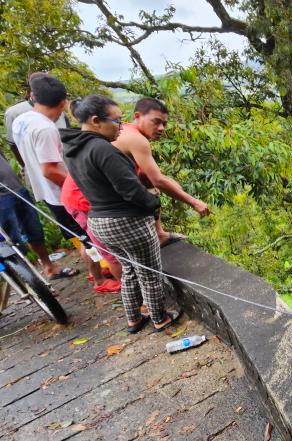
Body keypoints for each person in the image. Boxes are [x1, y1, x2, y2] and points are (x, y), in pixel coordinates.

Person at [61, 95, 182, 333]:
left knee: (128, 270)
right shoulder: (103, 149)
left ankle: (133, 318)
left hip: (98, 220)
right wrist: (153, 203)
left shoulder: (73, 148)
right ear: (96, 121)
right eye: (117, 121)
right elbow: (130, 190)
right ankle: (160, 318)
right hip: (125, 220)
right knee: (149, 271)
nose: (120, 126)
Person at [10, 75, 105, 284]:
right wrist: (81, 190)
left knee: (79, 238)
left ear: (34, 97)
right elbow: (50, 170)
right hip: (60, 193)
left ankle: (99, 272)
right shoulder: (45, 128)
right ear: (63, 103)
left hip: (46, 193)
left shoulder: (21, 120)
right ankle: (100, 279)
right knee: (88, 239)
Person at [112, 97, 209, 246]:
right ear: (137, 117)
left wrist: (167, 181)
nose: (162, 128)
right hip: (90, 202)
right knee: (114, 260)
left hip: (103, 194)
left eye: (164, 123)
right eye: (156, 122)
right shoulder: (137, 139)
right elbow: (158, 180)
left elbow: (148, 176)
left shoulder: (126, 129)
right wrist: (194, 202)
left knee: (150, 185)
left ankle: (159, 234)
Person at [0, 152, 60, 276]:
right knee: (13, 239)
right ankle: (29, 277)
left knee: (34, 229)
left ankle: (49, 267)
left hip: (17, 189)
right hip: (2, 199)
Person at [5, 72, 70, 172]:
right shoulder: (14, 113)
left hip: (63, 168)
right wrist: (26, 167)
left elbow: (68, 141)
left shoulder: (61, 114)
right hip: (39, 172)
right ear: (32, 92)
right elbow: (13, 145)